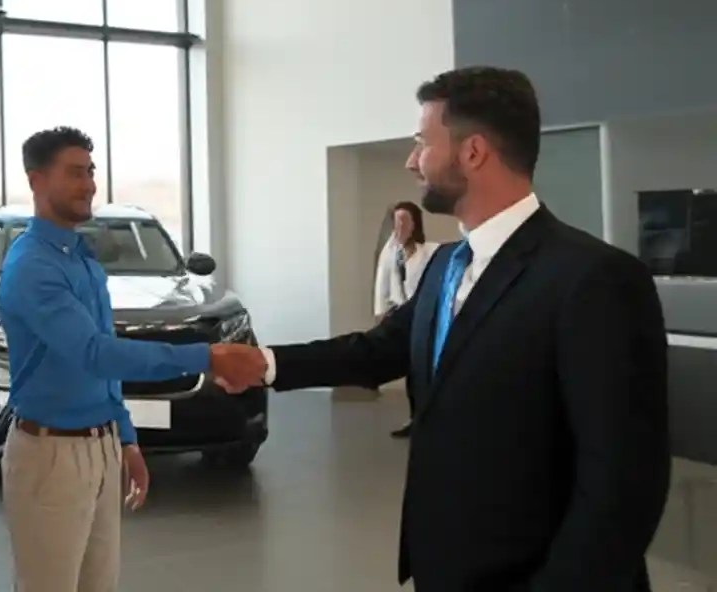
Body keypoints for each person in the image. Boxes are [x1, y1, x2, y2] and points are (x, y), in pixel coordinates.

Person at [236, 67, 671, 591]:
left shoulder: (594, 279)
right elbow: (381, 350)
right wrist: (266, 364)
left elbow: (623, 482)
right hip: (450, 564)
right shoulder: (446, 266)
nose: (411, 160)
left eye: (422, 143)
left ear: (473, 153)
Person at [0, 126, 268, 592]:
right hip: (51, 456)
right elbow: (96, 353)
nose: (88, 185)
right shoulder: (32, 267)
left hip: (98, 445)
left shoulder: (82, 259)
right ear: (37, 180)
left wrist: (124, 437)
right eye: (74, 173)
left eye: (91, 172)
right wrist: (207, 356)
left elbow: (101, 361)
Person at [372, 201, 440, 438]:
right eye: (397, 220)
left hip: (423, 314)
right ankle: (415, 419)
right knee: (411, 370)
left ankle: (430, 419)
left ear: (415, 224)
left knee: (425, 369)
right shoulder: (390, 253)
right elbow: (381, 284)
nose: (401, 226)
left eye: (406, 220)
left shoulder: (430, 251)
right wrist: (380, 312)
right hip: (400, 315)